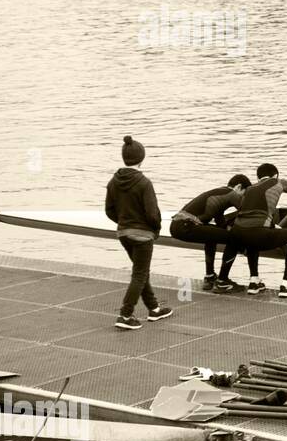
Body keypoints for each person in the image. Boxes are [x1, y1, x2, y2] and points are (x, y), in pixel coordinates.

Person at [216, 163, 287, 297]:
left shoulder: (249, 189)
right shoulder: (278, 182)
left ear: (258, 178)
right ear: (276, 175)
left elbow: (248, 213)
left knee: (251, 236)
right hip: (257, 234)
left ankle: (254, 282)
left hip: (237, 234)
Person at [104, 135, 172, 330]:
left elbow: (109, 210)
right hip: (142, 235)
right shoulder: (144, 182)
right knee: (140, 274)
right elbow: (152, 213)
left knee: (140, 272)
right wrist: (156, 229)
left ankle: (154, 309)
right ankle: (125, 315)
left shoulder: (113, 181)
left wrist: (123, 222)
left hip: (123, 233)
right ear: (142, 158)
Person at [169, 174, 252, 290]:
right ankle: (223, 281)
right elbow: (248, 212)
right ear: (238, 187)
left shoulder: (219, 194)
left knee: (212, 235)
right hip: (186, 226)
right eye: (244, 193)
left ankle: (210, 276)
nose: (243, 197)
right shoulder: (232, 193)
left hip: (176, 226)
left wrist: (227, 229)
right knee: (234, 238)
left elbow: (220, 223)